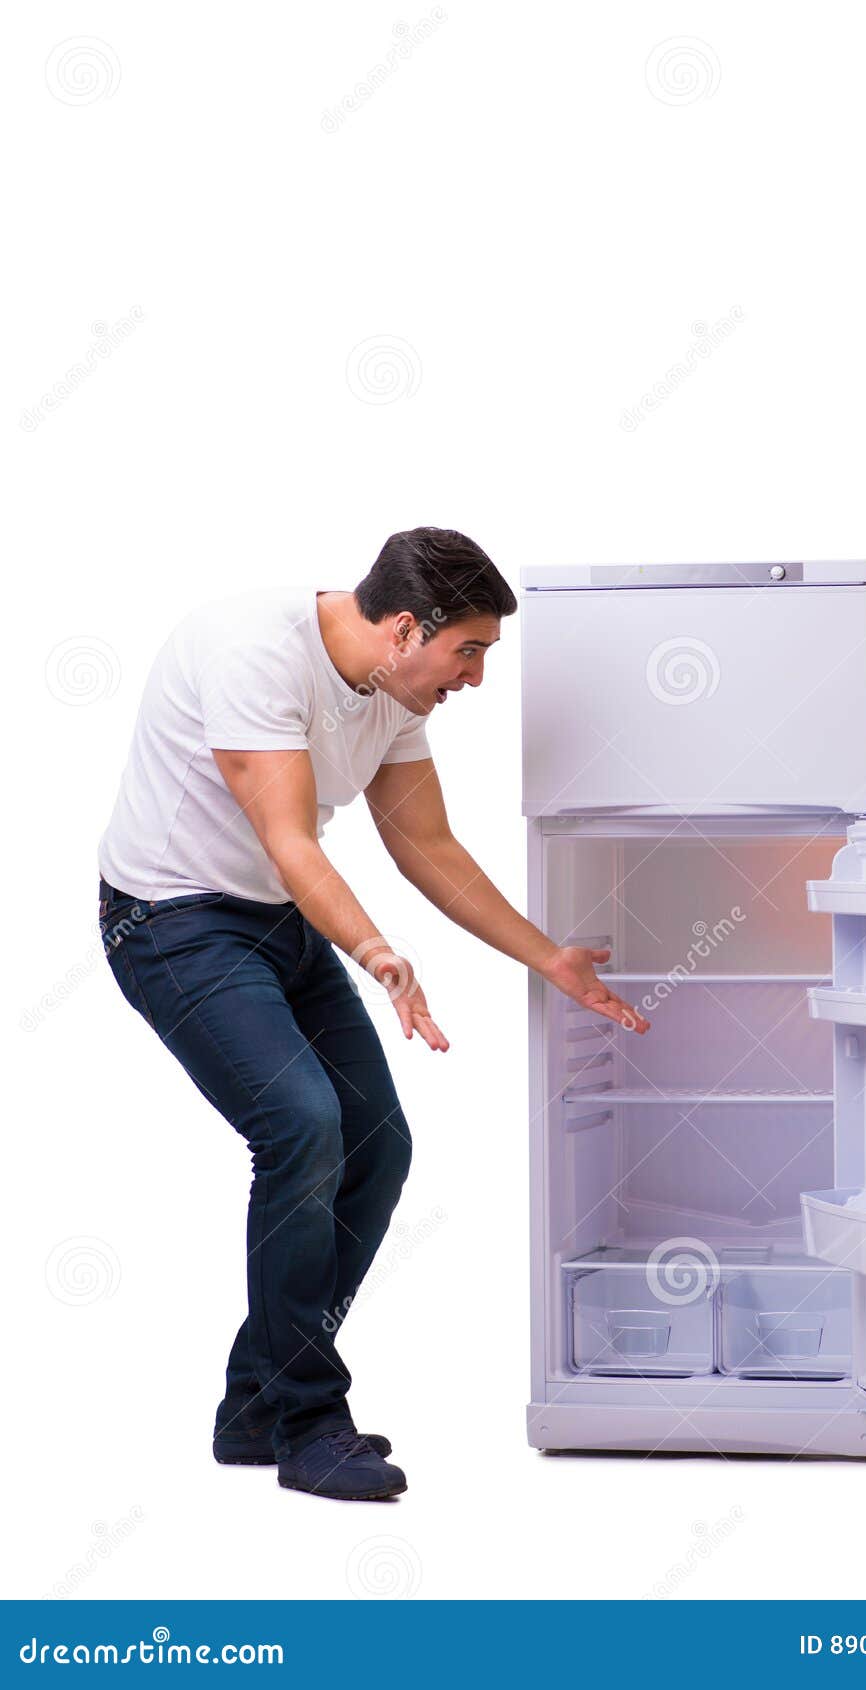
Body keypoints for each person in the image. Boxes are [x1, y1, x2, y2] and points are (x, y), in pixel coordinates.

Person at [97, 526, 650, 1502]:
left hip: (277, 920)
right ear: (405, 628)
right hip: (171, 922)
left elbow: (426, 844)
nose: (474, 678)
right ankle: (308, 1420)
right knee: (304, 1125)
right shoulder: (252, 652)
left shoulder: (393, 691)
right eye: (467, 650)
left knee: (377, 1145)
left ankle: (254, 1403)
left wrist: (546, 954)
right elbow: (290, 838)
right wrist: (377, 951)